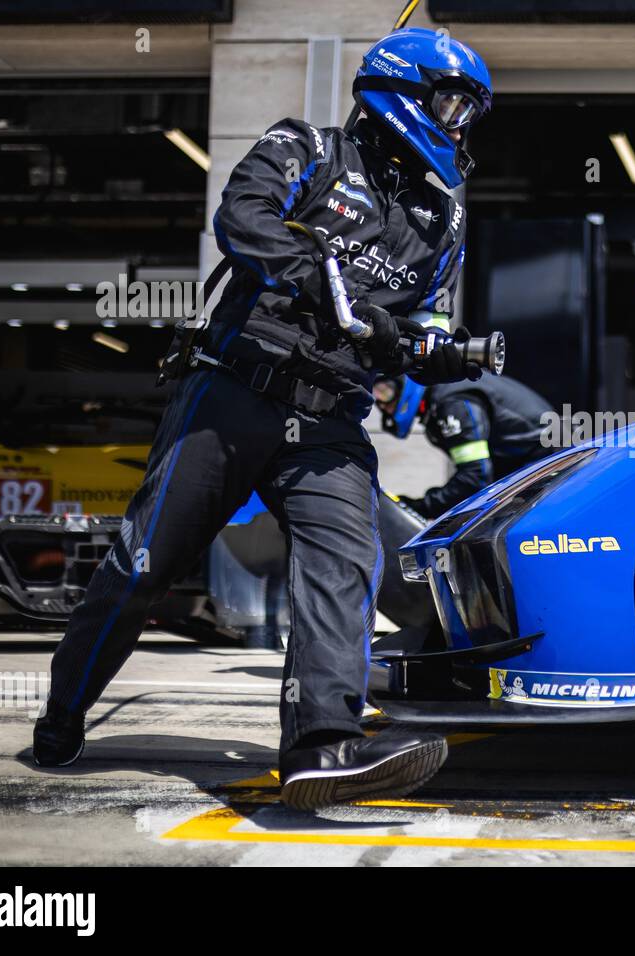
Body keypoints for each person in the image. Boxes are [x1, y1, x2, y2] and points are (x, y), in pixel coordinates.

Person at [32, 27, 493, 811]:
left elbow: (430, 322)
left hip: (330, 421)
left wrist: (438, 352)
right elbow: (241, 219)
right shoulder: (304, 147)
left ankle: (321, 744)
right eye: (451, 103)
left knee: (346, 562)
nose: (459, 125)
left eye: (468, 112)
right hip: (233, 394)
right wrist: (324, 281)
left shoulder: (441, 220)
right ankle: (62, 711)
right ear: (399, 93)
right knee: (144, 565)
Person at [375, 368, 555, 518]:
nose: (382, 404)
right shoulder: (441, 395)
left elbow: (475, 477)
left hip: (548, 465)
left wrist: (420, 507)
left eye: (384, 391)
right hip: (536, 465)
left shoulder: (451, 402)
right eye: (376, 396)